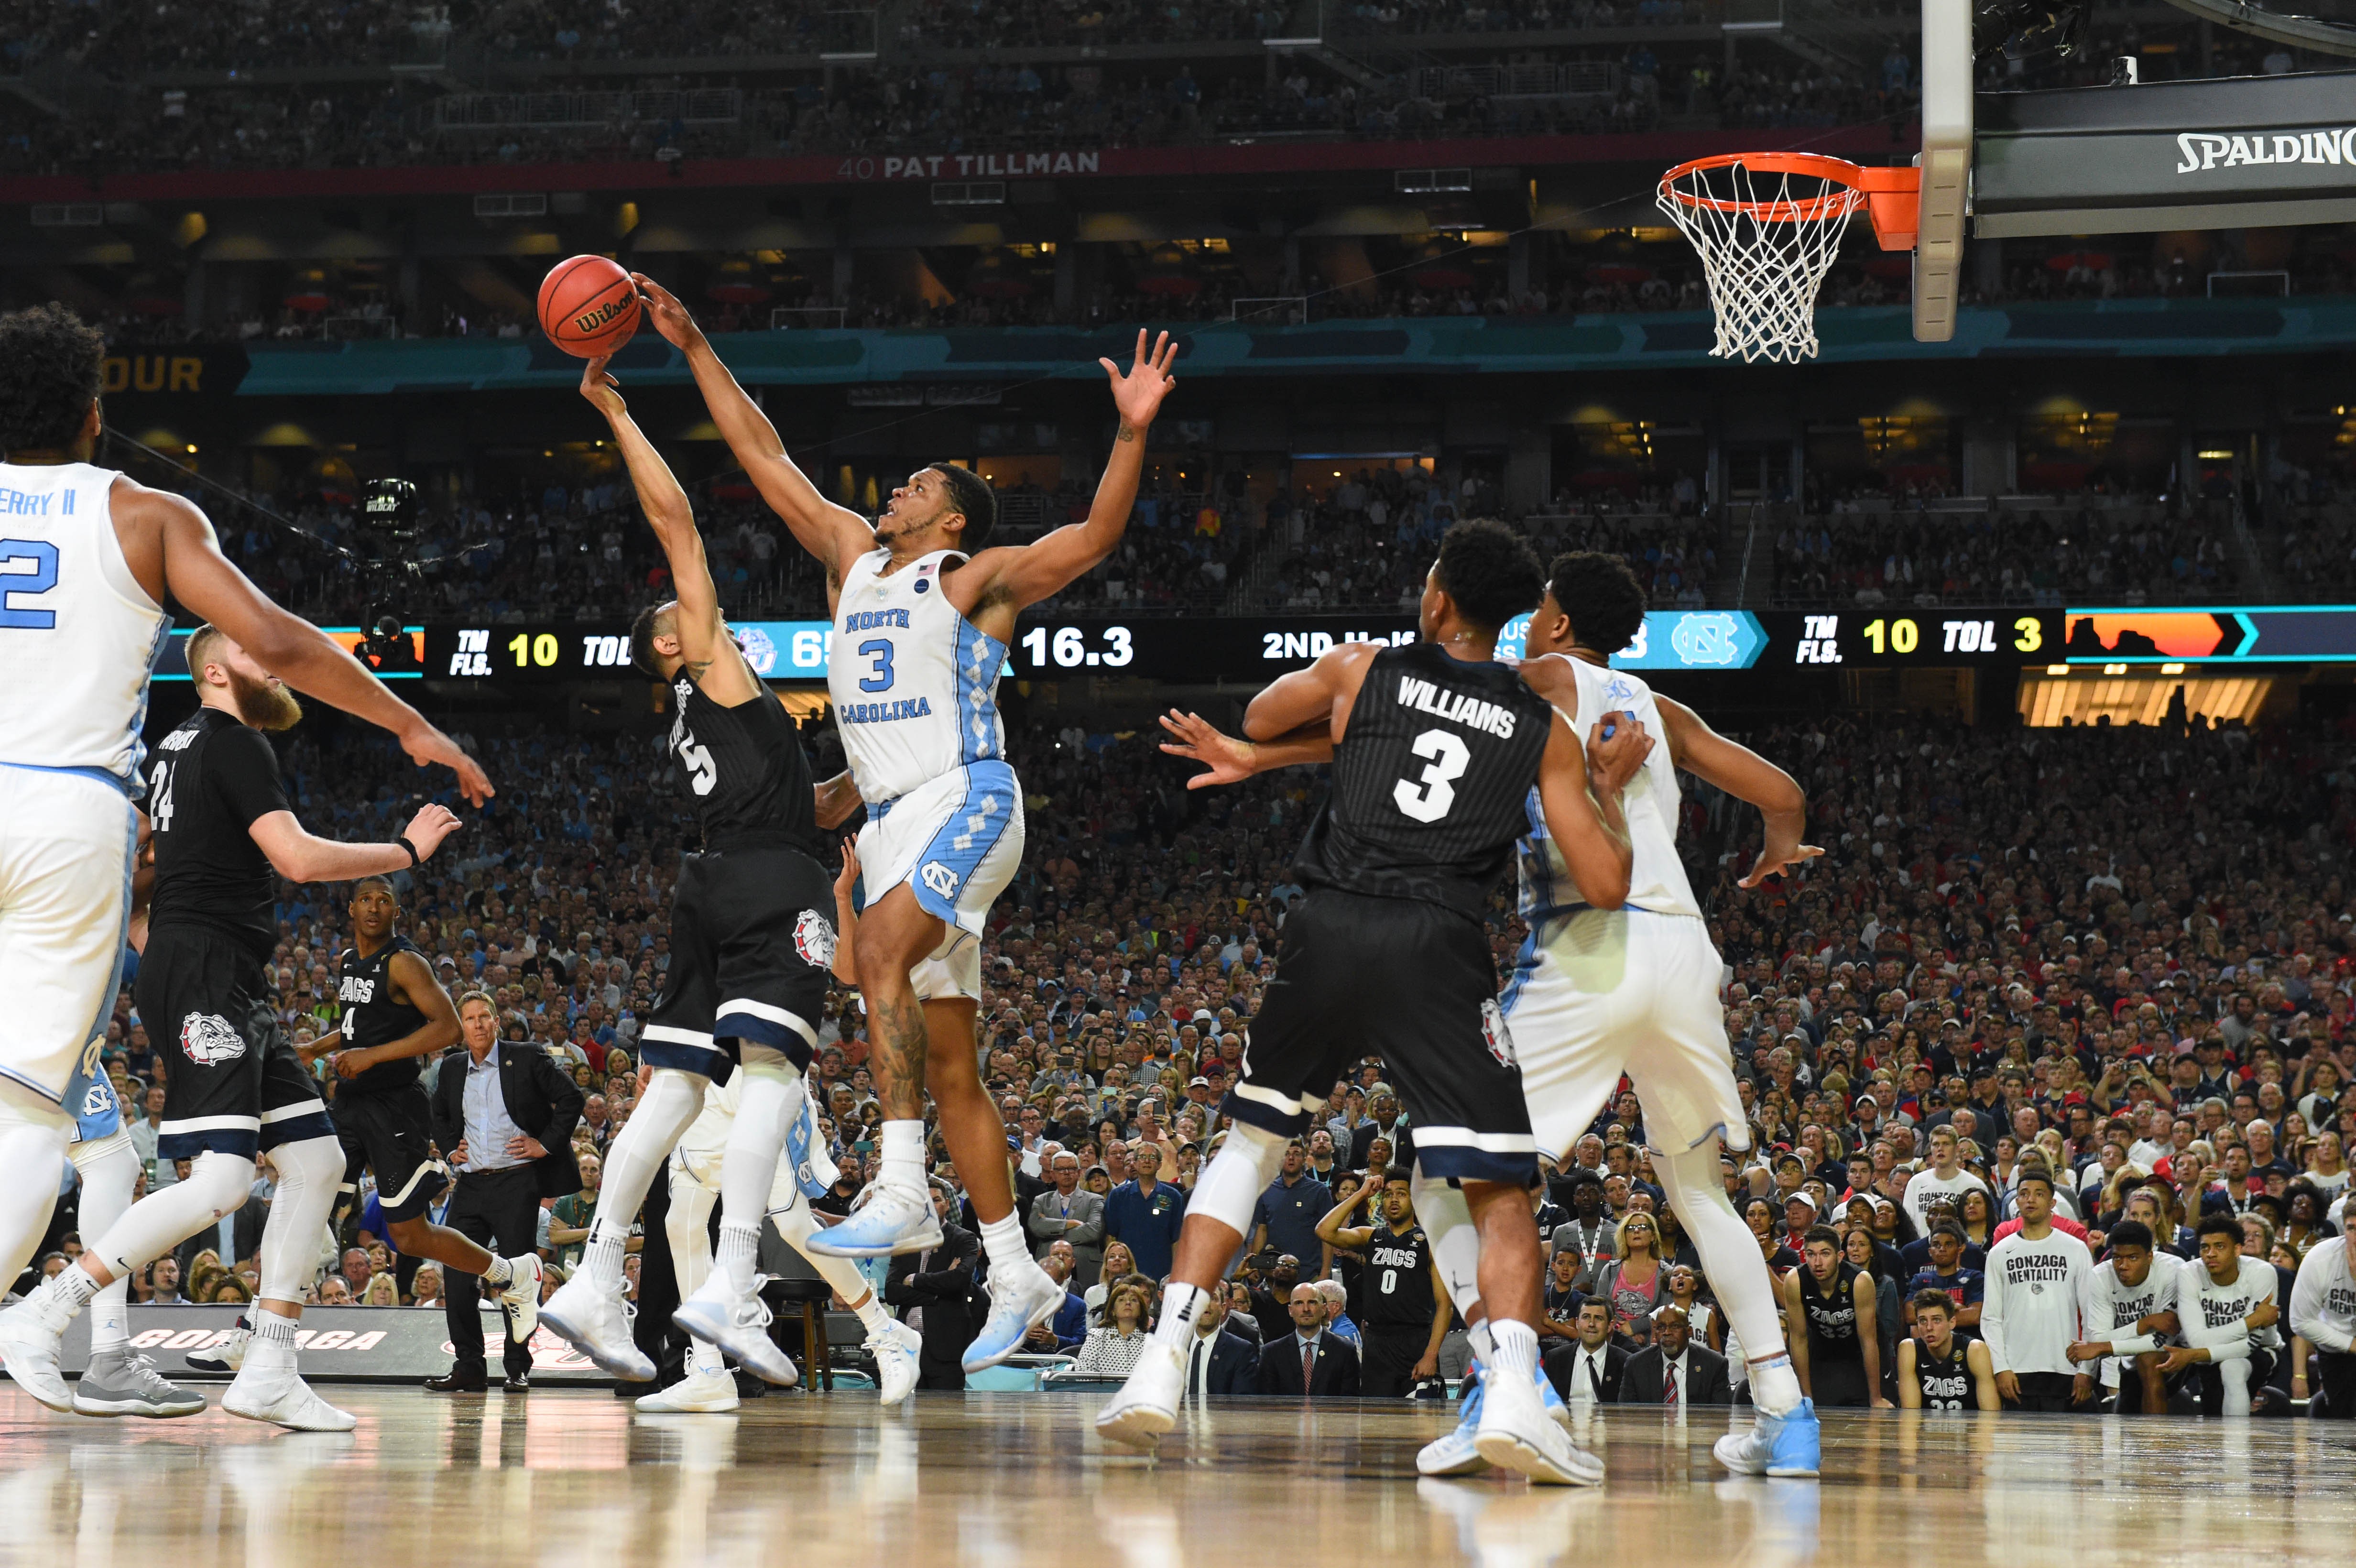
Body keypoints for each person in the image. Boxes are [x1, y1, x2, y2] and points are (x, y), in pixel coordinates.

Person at [658, 261, 1175, 1374]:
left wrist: (1129, 434)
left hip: (968, 794)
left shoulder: (970, 573)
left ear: (946, 512)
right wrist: (697, 343)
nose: (889, 492)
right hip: (893, 811)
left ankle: (903, 1184)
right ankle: (1014, 1262)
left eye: (911, 485)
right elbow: (764, 456)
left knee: (882, 952)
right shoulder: (851, 559)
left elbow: (1086, 542)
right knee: (954, 1066)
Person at [1096, 520, 1640, 1487]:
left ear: (1435, 601)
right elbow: (1602, 881)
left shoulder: (1363, 666)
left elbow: (1263, 715)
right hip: (1438, 943)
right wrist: (1605, 789)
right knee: (1498, 1186)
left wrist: (1297, 742)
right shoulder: (1539, 725)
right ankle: (1514, 1389)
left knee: (1251, 1144)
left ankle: (1158, 1362)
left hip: (1330, 924)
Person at [0, 302, 486, 1342]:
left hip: (90, 849)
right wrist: (410, 732)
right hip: (72, 815)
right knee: (36, 1117)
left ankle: (265, 1363)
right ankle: (40, 1317)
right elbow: (283, 644)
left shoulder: (207, 737)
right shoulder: (146, 518)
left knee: (294, 1155)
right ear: (94, 415)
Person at [1394, 550, 1822, 1479]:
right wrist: (1775, 854)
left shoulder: (1533, 677)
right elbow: (1781, 796)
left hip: (1594, 940)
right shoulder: (1661, 709)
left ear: (1551, 622)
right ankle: (1786, 1414)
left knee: (1440, 1171)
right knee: (1696, 1188)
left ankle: (1507, 1388)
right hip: (1683, 954)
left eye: (1533, 609)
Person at [0, 624, 476, 1430]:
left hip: (218, 975)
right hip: (210, 976)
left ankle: (269, 1369)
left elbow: (154, 878)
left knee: (319, 1162)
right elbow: (293, 859)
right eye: (259, 655)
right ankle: (44, 1313)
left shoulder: (172, 748)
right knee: (220, 1182)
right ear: (217, 671)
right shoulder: (232, 741)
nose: (277, 664)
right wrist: (403, 851)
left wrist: (166, 959)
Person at [537, 355, 837, 1392]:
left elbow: (807, 806)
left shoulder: (687, 723)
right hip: (765, 882)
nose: (692, 604)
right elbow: (677, 523)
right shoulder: (708, 660)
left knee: (670, 1086)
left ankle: (594, 1270)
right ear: (672, 640)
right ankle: (734, 1281)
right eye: (679, 611)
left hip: (707, 885)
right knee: (769, 1073)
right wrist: (620, 415)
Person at [312, 880, 544, 1352]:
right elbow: (358, 1024)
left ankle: (512, 1273)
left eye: (384, 900)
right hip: (351, 1102)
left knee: (410, 1236)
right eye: (366, 899)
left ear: (396, 909)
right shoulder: (348, 961)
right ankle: (263, 1326)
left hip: (394, 1103)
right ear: (351, 908)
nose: (375, 907)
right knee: (312, 1202)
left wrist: (374, 1056)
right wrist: (311, 1048)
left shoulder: (404, 961)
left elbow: (446, 1026)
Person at [634, 1053, 921, 1413]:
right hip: (697, 1069)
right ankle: (709, 1372)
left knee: (794, 1225)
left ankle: (885, 1329)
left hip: (760, 1065)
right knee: (681, 1223)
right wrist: (654, 1052)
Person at [423, 991, 585, 1394]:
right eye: (469, 1019)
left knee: (516, 1280)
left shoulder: (526, 1056)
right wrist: (449, 1148)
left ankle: (517, 1367)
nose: (477, 1025)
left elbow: (572, 1097)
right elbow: (437, 1112)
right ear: (460, 1027)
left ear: (496, 1021)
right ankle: (469, 1367)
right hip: (471, 1184)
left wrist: (544, 1144)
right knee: (458, 1277)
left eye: (483, 1017)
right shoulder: (452, 1067)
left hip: (518, 1183)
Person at [1314, 1171, 1447, 1396]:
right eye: (1388, 1195)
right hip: (1377, 1343)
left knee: (1420, 1424)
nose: (1394, 1199)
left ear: (1414, 1200)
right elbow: (1324, 1230)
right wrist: (1361, 1193)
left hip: (1415, 1341)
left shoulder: (1430, 1242)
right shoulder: (1370, 1236)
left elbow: (1445, 1305)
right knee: (1375, 1424)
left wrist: (1431, 1355)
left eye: (1401, 1194)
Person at [1981, 1168, 2094, 1412]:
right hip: (2016, 1369)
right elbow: (1991, 1317)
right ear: (2016, 1200)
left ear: (2052, 1202)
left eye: (2039, 1194)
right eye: (2024, 1194)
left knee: (2064, 1450)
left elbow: (2091, 1312)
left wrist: (2087, 1369)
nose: (2030, 1199)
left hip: (2067, 1366)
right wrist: (2000, 1367)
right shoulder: (2000, 1252)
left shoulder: (2075, 1249)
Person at [2159, 1211, 2283, 1416]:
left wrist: (2194, 1356)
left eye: (2220, 1246)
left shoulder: (2262, 1272)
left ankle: (2236, 1446)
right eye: (2205, 1247)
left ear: (2237, 1249)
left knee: (2232, 1368)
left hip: (2260, 1351)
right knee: (2213, 1410)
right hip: (2207, 1350)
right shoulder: (2189, 1273)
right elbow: (2197, 1339)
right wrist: (2253, 1320)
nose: (2210, 1254)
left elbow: (2249, 1344)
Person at [2064, 1219, 2183, 1414]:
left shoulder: (2173, 1270)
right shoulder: (2101, 1276)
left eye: (2133, 1258)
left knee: (2148, 1360)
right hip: (2131, 1359)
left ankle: (2157, 1441)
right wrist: (2145, 1324)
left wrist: (2104, 1347)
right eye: (2117, 1258)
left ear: (2150, 1257)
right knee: (2124, 1417)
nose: (2123, 1266)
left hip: (2184, 1351)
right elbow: (2097, 1338)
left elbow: (2165, 1340)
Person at [883, 1181, 986, 1391]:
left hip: (947, 1345)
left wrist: (913, 1280)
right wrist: (937, 1293)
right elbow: (892, 1292)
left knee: (948, 1418)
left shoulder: (964, 1238)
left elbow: (959, 1279)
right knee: (906, 1419)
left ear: (947, 1204)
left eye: (936, 1200)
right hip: (907, 1345)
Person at [1785, 1225, 1888, 1410]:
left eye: (1825, 1254)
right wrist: (1806, 1398)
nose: (1817, 1262)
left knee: (1873, 1411)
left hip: (1860, 1350)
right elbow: (1799, 1339)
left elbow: (1868, 1340)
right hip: (1823, 1349)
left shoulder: (1860, 1281)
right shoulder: (1795, 1281)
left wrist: (1876, 1398)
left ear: (1840, 1257)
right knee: (1818, 1408)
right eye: (1811, 1254)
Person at [2288, 1227, 2356, 1416]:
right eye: (2352, 1228)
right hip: (2335, 1347)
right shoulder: (2321, 1257)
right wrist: (2351, 1344)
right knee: (2342, 1418)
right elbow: (2300, 1321)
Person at [1103, 1141, 1187, 1284]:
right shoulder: (1118, 1196)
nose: (1147, 1161)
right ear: (1134, 1163)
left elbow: (1177, 1240)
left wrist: (1176, 1273)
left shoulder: (1173, 1197)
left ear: (1160, 1165)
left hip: (1162, 1272)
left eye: (1152, 1157)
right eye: (1142, 1157)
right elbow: (1111, 1237)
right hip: (1126, 1274)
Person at [1255, 1282, 1360, 1396]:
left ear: (1324, 1309)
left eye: (1312, 1302)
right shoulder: (1272, 1353)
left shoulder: (1345, 1350)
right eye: (1299, 1303)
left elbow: (1349, 1404)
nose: (1306, 1309)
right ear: (1290, 1310)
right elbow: (1267, 1404)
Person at [1898, 1292, 1997, 1410]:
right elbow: (1910, 1415)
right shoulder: (1910, 1350)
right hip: (1926, 1428)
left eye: (1937, 1320)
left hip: (1970, 1428)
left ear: (1952, 1323)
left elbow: (1990, 1416)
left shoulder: (1975, 1350)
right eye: (1923, 1321)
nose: (1929, 1327)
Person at [1619, 1303, 1731, 1407]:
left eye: (1675, 1326)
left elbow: (1721, 1416)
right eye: (1661, 1327)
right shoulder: (1636, 1365)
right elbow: (1627, 1414)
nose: (1667, 1332)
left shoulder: (1714, 1364)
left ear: (1689, 1331)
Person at [1249, 1138, 1332, 1272]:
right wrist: (1256, 1266)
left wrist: (1325, 1271)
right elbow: (1262, 1229)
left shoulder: (1319, 1191)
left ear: (1305, 1159)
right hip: (1274, 1272)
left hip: (1309, 1272)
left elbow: (1327, 1234)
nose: (1291, 1158)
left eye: (1297, 1154)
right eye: (1286, 1154)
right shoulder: (1266, 1190)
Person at [1027, 1149, 1106, 1285]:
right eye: (1061, 1169)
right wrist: (1069, 1224)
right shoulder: (1041, 1200)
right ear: (1053, 1174)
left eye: (1071, 1169)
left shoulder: (1095, 1200)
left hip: (1085, 1269)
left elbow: (1093, 1231)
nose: (1067, 1173)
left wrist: (1052, 1234)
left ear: (1079, 1173)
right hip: (1048, 1269)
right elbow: (1036, 1226)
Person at [1178, 1281, 1259, 1400]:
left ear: (1223, 1308)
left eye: (1212, 1298)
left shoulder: (1241, 1351)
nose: (1206, 1304)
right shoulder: (1174, 1348)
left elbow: (1242, 1405)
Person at [1549, 1299, 1628, 1407]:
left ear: (1610, 1326)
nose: (1591, 1324)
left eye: (1598, 1318)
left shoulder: (1625, 1362)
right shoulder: (1556, 1358)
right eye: (1586, 1317)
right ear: (1577, 1323)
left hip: (1609, 1423)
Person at [1072, 1280, 1155, 1377]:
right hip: (1100, 1391)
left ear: (1141, 1311)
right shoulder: (1097, 1337)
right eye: (1121, 1300)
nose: (1128, 1303)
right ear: (1113, 1311)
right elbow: (1082, 1373)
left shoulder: (1151, 1343)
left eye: (1134, 1300)